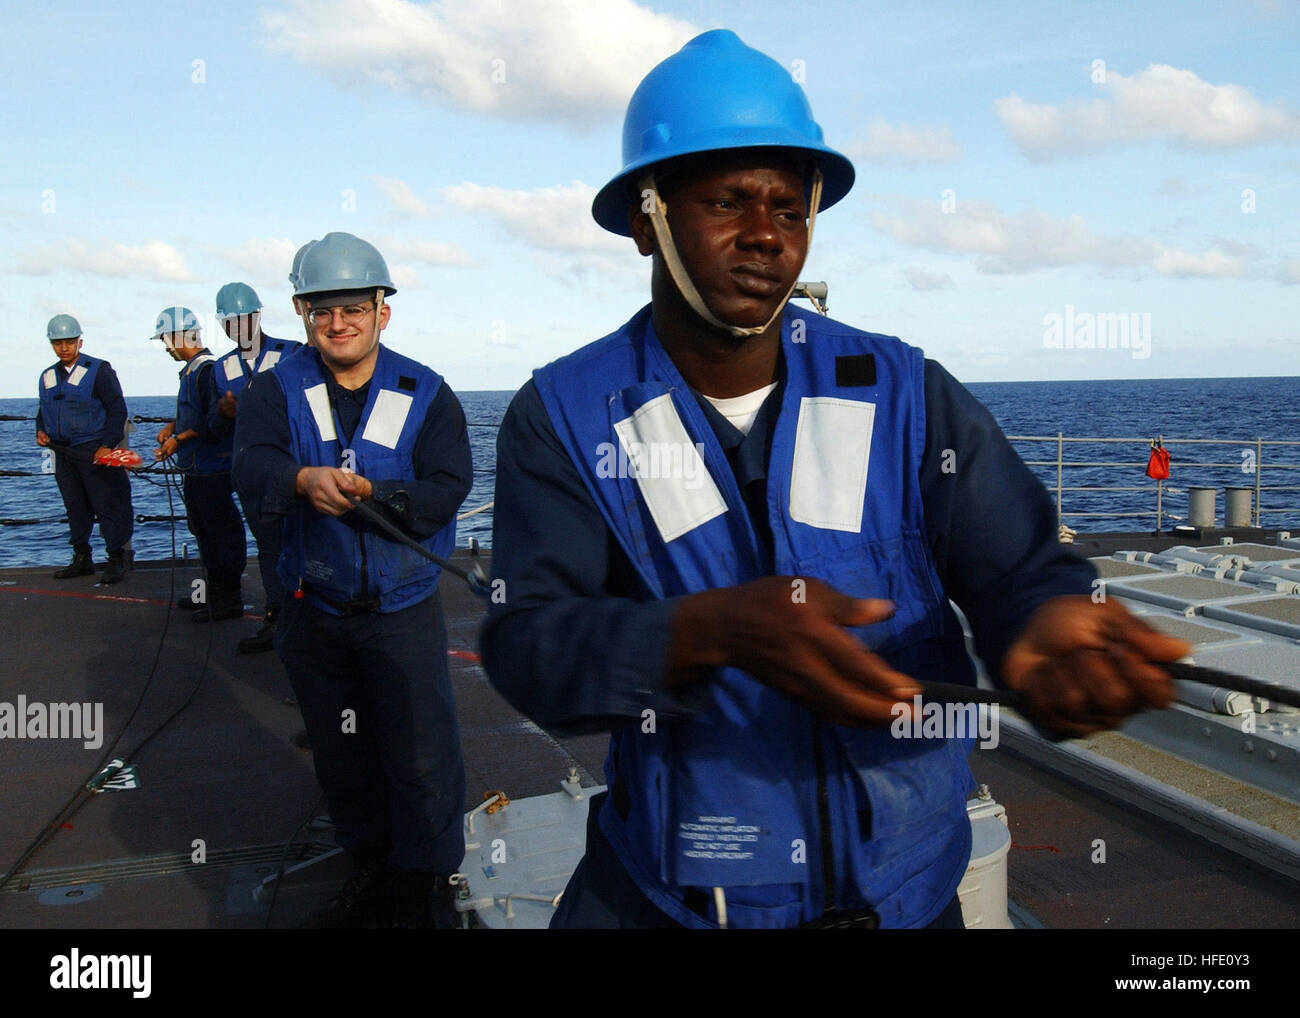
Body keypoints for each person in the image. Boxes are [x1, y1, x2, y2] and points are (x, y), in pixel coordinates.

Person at [480, 29, 1190, 930]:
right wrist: (704, 632)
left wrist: (1049, 628)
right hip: (683, 901)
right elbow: (528, 646)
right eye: (727, 202)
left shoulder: (902, 391)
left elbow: (1020, 569)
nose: (767, 237)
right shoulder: (567, 417)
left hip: (906, 896)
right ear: (644, 218)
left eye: (790, 206)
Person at [232, 232, 473, 928]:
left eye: (353, 310)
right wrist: (299, 480)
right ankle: (369, 863)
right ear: (304, 314)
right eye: (321, 311)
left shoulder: (425, 392)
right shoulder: (274, 392)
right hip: (314, 608)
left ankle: (425, 881)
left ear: (382, 311)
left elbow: (450, 483)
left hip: (402, 612)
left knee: (422, 754)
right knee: (342, 752)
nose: (338, 325)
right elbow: (250, 466)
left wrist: (384, 500)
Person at [209, 282, 302, 652]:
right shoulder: (221, 369)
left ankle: (308, 621)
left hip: (292, 470)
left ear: (257, 316)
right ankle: (276, 617)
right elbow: (215, 429)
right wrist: (222, 413)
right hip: (251, 475)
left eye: (244, 319)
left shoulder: (292, 353)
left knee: (301, 543)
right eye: (229, 322)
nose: (238, 327)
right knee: (267, 548)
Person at [150, 306, 247, 622]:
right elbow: (196, 411)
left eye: (166, 339)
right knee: (203, 530)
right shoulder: (194, 369)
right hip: (197, 466)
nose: (166, 347)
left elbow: (214, 421)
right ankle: (211, 594)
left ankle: (228, 600)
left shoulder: (205, 370)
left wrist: (178, 439)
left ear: (178, 336)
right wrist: (173, 425)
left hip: (211, 467)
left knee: (219, 532)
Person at [36, 314, 133, 584]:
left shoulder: (99, 370)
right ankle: (82, 558)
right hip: (62, 453)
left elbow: (117, 410)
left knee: (108, 503)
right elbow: (43, 410)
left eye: (69, 342)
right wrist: (40, 431)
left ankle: (116, 559)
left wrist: (106, 446)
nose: (63, 348)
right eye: (58, 343)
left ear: (79, 341)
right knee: (75, 506)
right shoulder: (47, 376)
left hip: (94, 450)